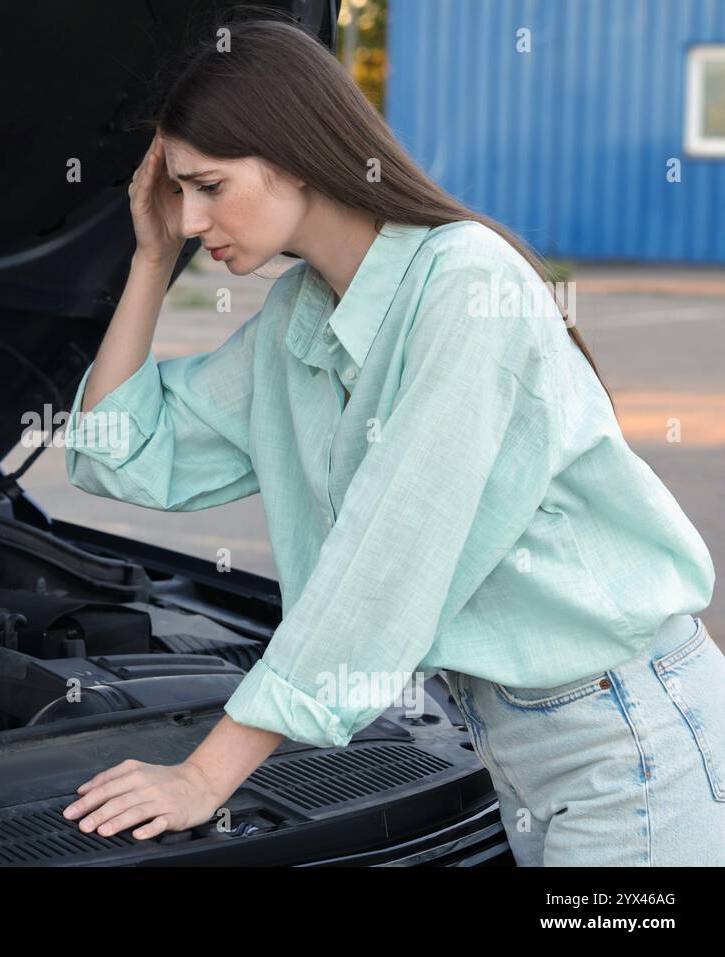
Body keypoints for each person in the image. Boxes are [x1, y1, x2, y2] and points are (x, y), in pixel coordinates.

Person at [59, 12, 721, 866]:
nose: (188, 219)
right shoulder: (299, 320)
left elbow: (387, 557)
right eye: (177, 193)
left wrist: (204, 776)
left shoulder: (466, 284)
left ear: (293, 154)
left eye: (209, 186)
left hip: (629, 744)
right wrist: (149, 262)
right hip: (519, 748)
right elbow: (115, 452)